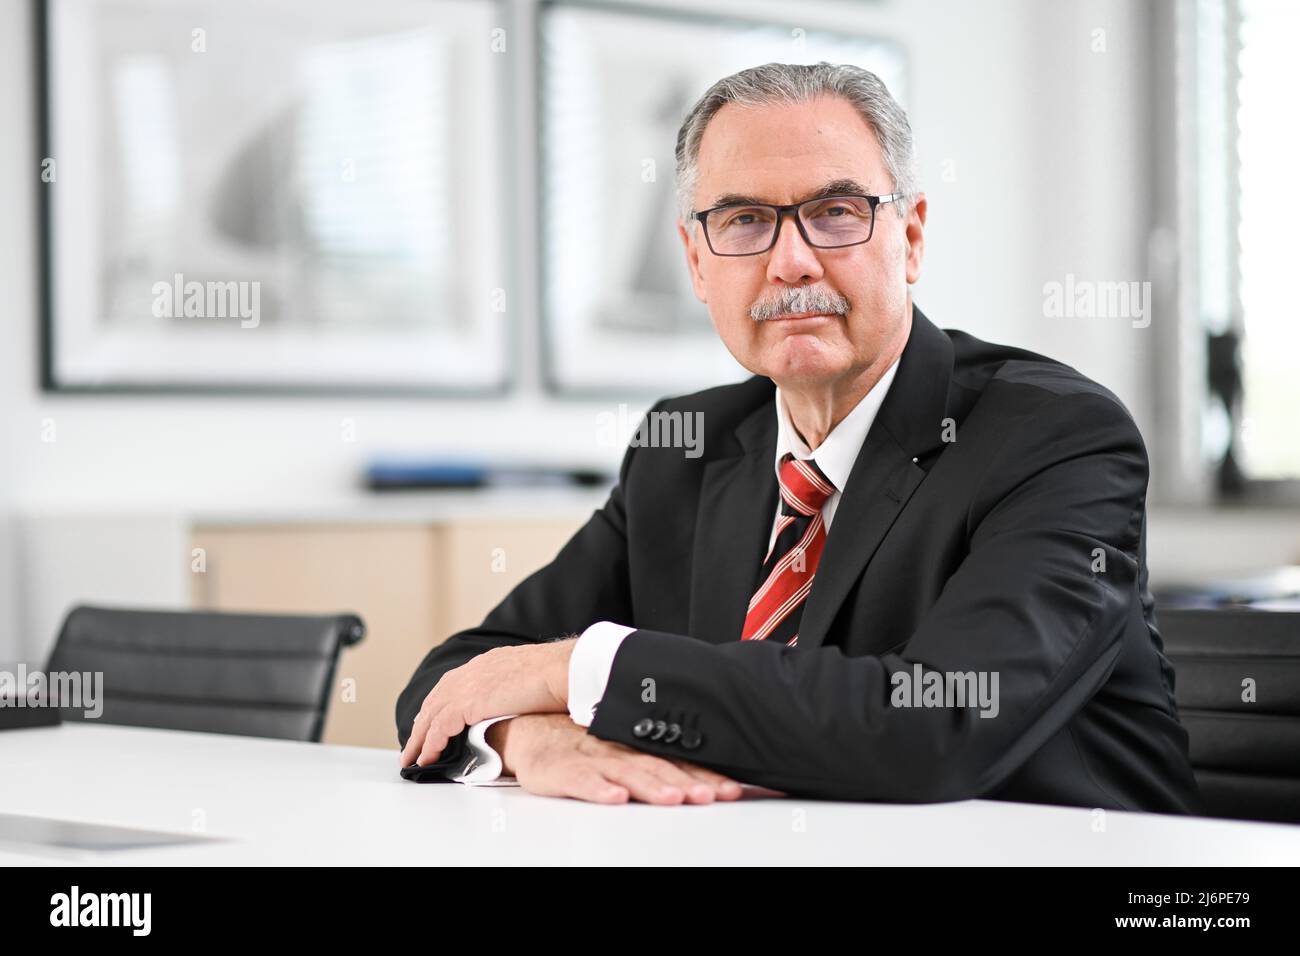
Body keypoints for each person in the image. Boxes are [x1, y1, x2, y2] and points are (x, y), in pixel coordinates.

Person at [396, 61, 1202, 813]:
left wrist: (573, 669)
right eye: (744, 220)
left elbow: (936, 725)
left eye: (836, 213)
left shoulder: (1055, 436)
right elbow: (453, 679)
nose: (791, 262)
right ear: (697, 262)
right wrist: (522, 732)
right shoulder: (687, 445)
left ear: (910, 238)